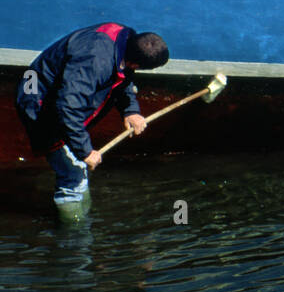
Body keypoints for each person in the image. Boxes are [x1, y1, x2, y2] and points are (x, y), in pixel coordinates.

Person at [15, 23, 169, 213]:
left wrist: (130, 110)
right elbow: (68, 107)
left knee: (78, 169)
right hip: (41, 105)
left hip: (64, 101)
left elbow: (123, 76)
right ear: (135, 63)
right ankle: (75, 236)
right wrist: (85, 150)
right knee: (74, 174)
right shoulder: (95, 60)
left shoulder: (125, 41)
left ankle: (80, 221)